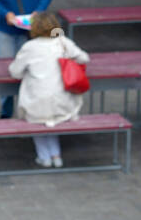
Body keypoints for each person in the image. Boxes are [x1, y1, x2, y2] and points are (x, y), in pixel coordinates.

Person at [8, 12, 89, 169]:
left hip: (36, 103)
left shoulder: (29, 47)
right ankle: (56, 155)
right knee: (51, 119)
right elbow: (84, 58)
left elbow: (14, 72)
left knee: (38, 118)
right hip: (62, 103)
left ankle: (44, 157)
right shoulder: (62, 42)